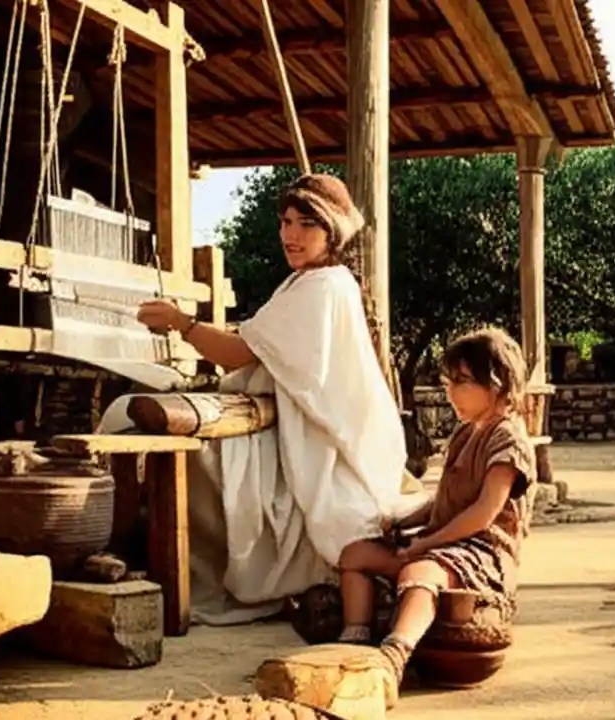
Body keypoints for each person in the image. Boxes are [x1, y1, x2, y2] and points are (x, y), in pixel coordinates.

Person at [132, 173, 427, 624]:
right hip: (335, 431)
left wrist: (181, 324)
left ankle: (183, 574)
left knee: (197, 460)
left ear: (332, 232)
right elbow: (258, 343)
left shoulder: (321, 288)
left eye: (306, 224)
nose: (291, 235)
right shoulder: (317, 282)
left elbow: (237, 353)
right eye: (286, 222)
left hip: (328, 446)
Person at [335, 326, 537, 686]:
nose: (451, 392)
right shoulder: (465, 432)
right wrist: (403, 522)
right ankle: (355, 642)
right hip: (440, 543)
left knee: (420, 572)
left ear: (497, 383)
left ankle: (393, 657)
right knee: (355, 556)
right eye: (448, 382)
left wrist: (425, 544)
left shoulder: (508, 439)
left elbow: (483, 513)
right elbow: (445, 499)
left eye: (462, 381)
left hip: (480, 553)